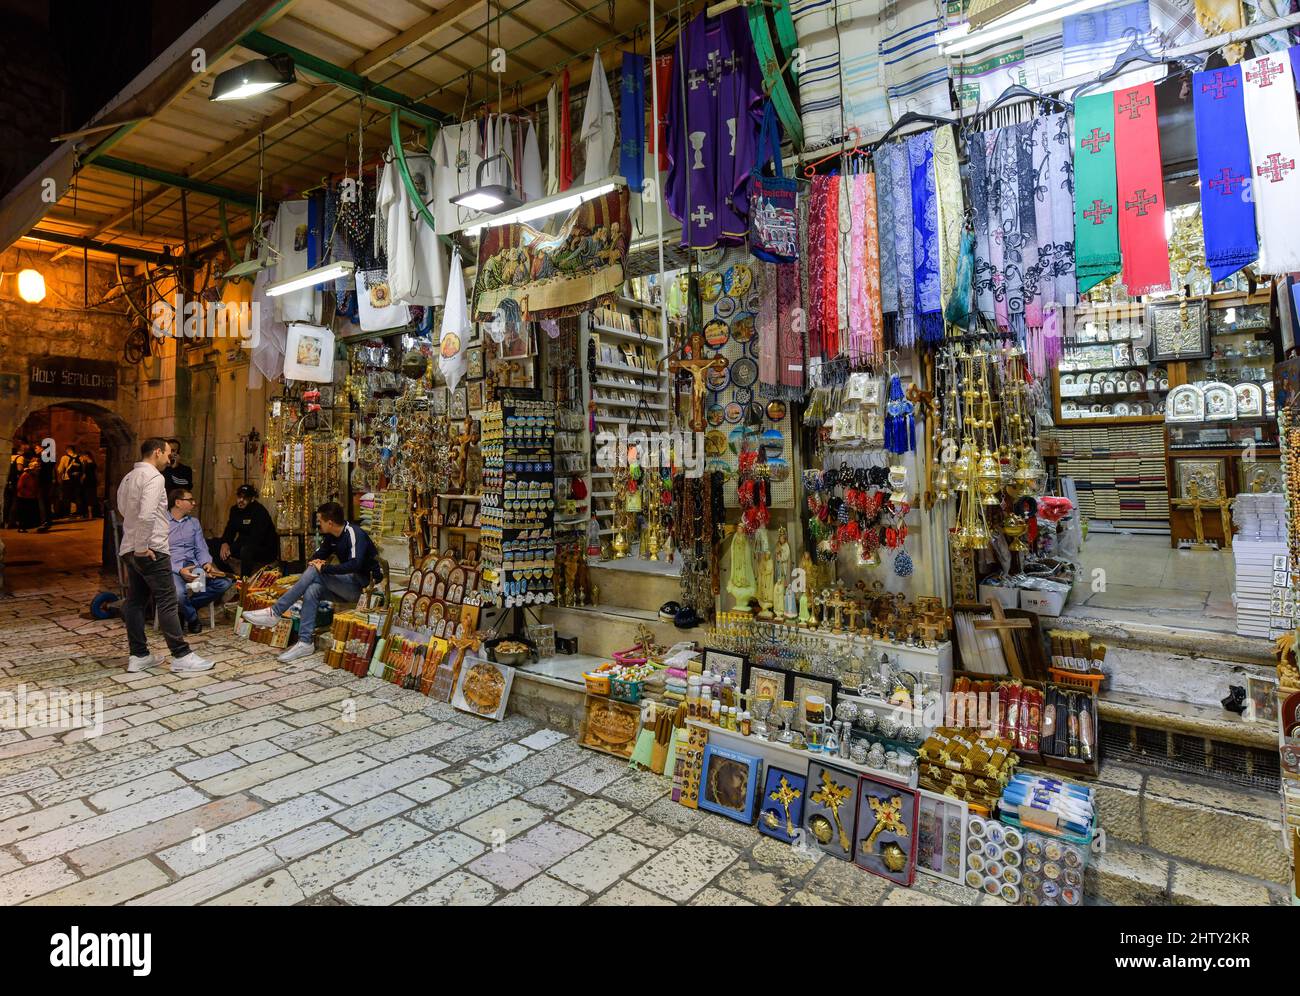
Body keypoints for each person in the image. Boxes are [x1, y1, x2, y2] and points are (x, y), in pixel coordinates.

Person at [116, 437, 212, 673]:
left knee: (136, 601)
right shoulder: (154, 478)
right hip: (151, 549)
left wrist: (135, 544)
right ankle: (181, 655)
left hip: (130, 547)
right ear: (157, 452)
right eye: (168, 454)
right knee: (168, 600)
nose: (170, 459)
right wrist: (142, 547)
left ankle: (139, 654)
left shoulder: (128, 477)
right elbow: (147, 515)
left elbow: (122, 508)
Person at [244, 501, 383, 663]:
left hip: (364, 588)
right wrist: (316, 563)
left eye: (321, 521)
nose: (319, 525)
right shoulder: (331, 536)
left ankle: (275, 612)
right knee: (313, 589)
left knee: (315, 572)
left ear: (330, 522)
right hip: (346, 584)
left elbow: (355, 564)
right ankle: (305, 642)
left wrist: (323, 569)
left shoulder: (354, 533)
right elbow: (317, 557)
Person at [167, 488, 233, 634]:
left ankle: (185, 610)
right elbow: (161, 553)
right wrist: (179, 570)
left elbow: (200, 547)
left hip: (194, 567)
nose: (194, 503)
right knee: (178, 594)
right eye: (190, 500)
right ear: (178, 502)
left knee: (224, 583)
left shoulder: (194, 522)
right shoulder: (162, 522)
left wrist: (206, 564)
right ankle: (192, 618)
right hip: (174, 569)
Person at [218, 484, 279, 577]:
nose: (241, 500)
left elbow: (256, 538)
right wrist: (225, 543)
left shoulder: (259, 511)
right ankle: (228, 575)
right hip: (243, 544)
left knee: (247, 550)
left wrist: (233, 548)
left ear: (252, 499)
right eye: (239, 497)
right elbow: (230, 529)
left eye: (245, 498)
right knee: (214, 544)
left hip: (263, 548)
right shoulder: (234, 510)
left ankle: (244, 581)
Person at [15, 458, 40, 532]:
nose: (37, 470)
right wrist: (29, 493)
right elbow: (20, 487)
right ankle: (21, 527)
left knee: (28, 513)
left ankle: (27, 526)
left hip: (30, 496)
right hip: (24, 497)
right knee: (23, 513)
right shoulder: (25, 475)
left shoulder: (34, 476)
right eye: (36, 468)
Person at [3, 447, 20, 529]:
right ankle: (11, 522)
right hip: (14, 483)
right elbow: (19, 469)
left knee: (6, 502)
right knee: (14, 502)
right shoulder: (18, 458)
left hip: (5, 482)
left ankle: (3, 522)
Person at [78, 451, 98, 519]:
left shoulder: (87, 465)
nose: (83, 457)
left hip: (87, 482)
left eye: (83, 456)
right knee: (91, 497)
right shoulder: (93, 463)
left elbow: (84, 474)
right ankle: (91, 514)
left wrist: (81, 480)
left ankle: (89, 514)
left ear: (86, 456)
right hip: (93, 482)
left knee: (87, 498)